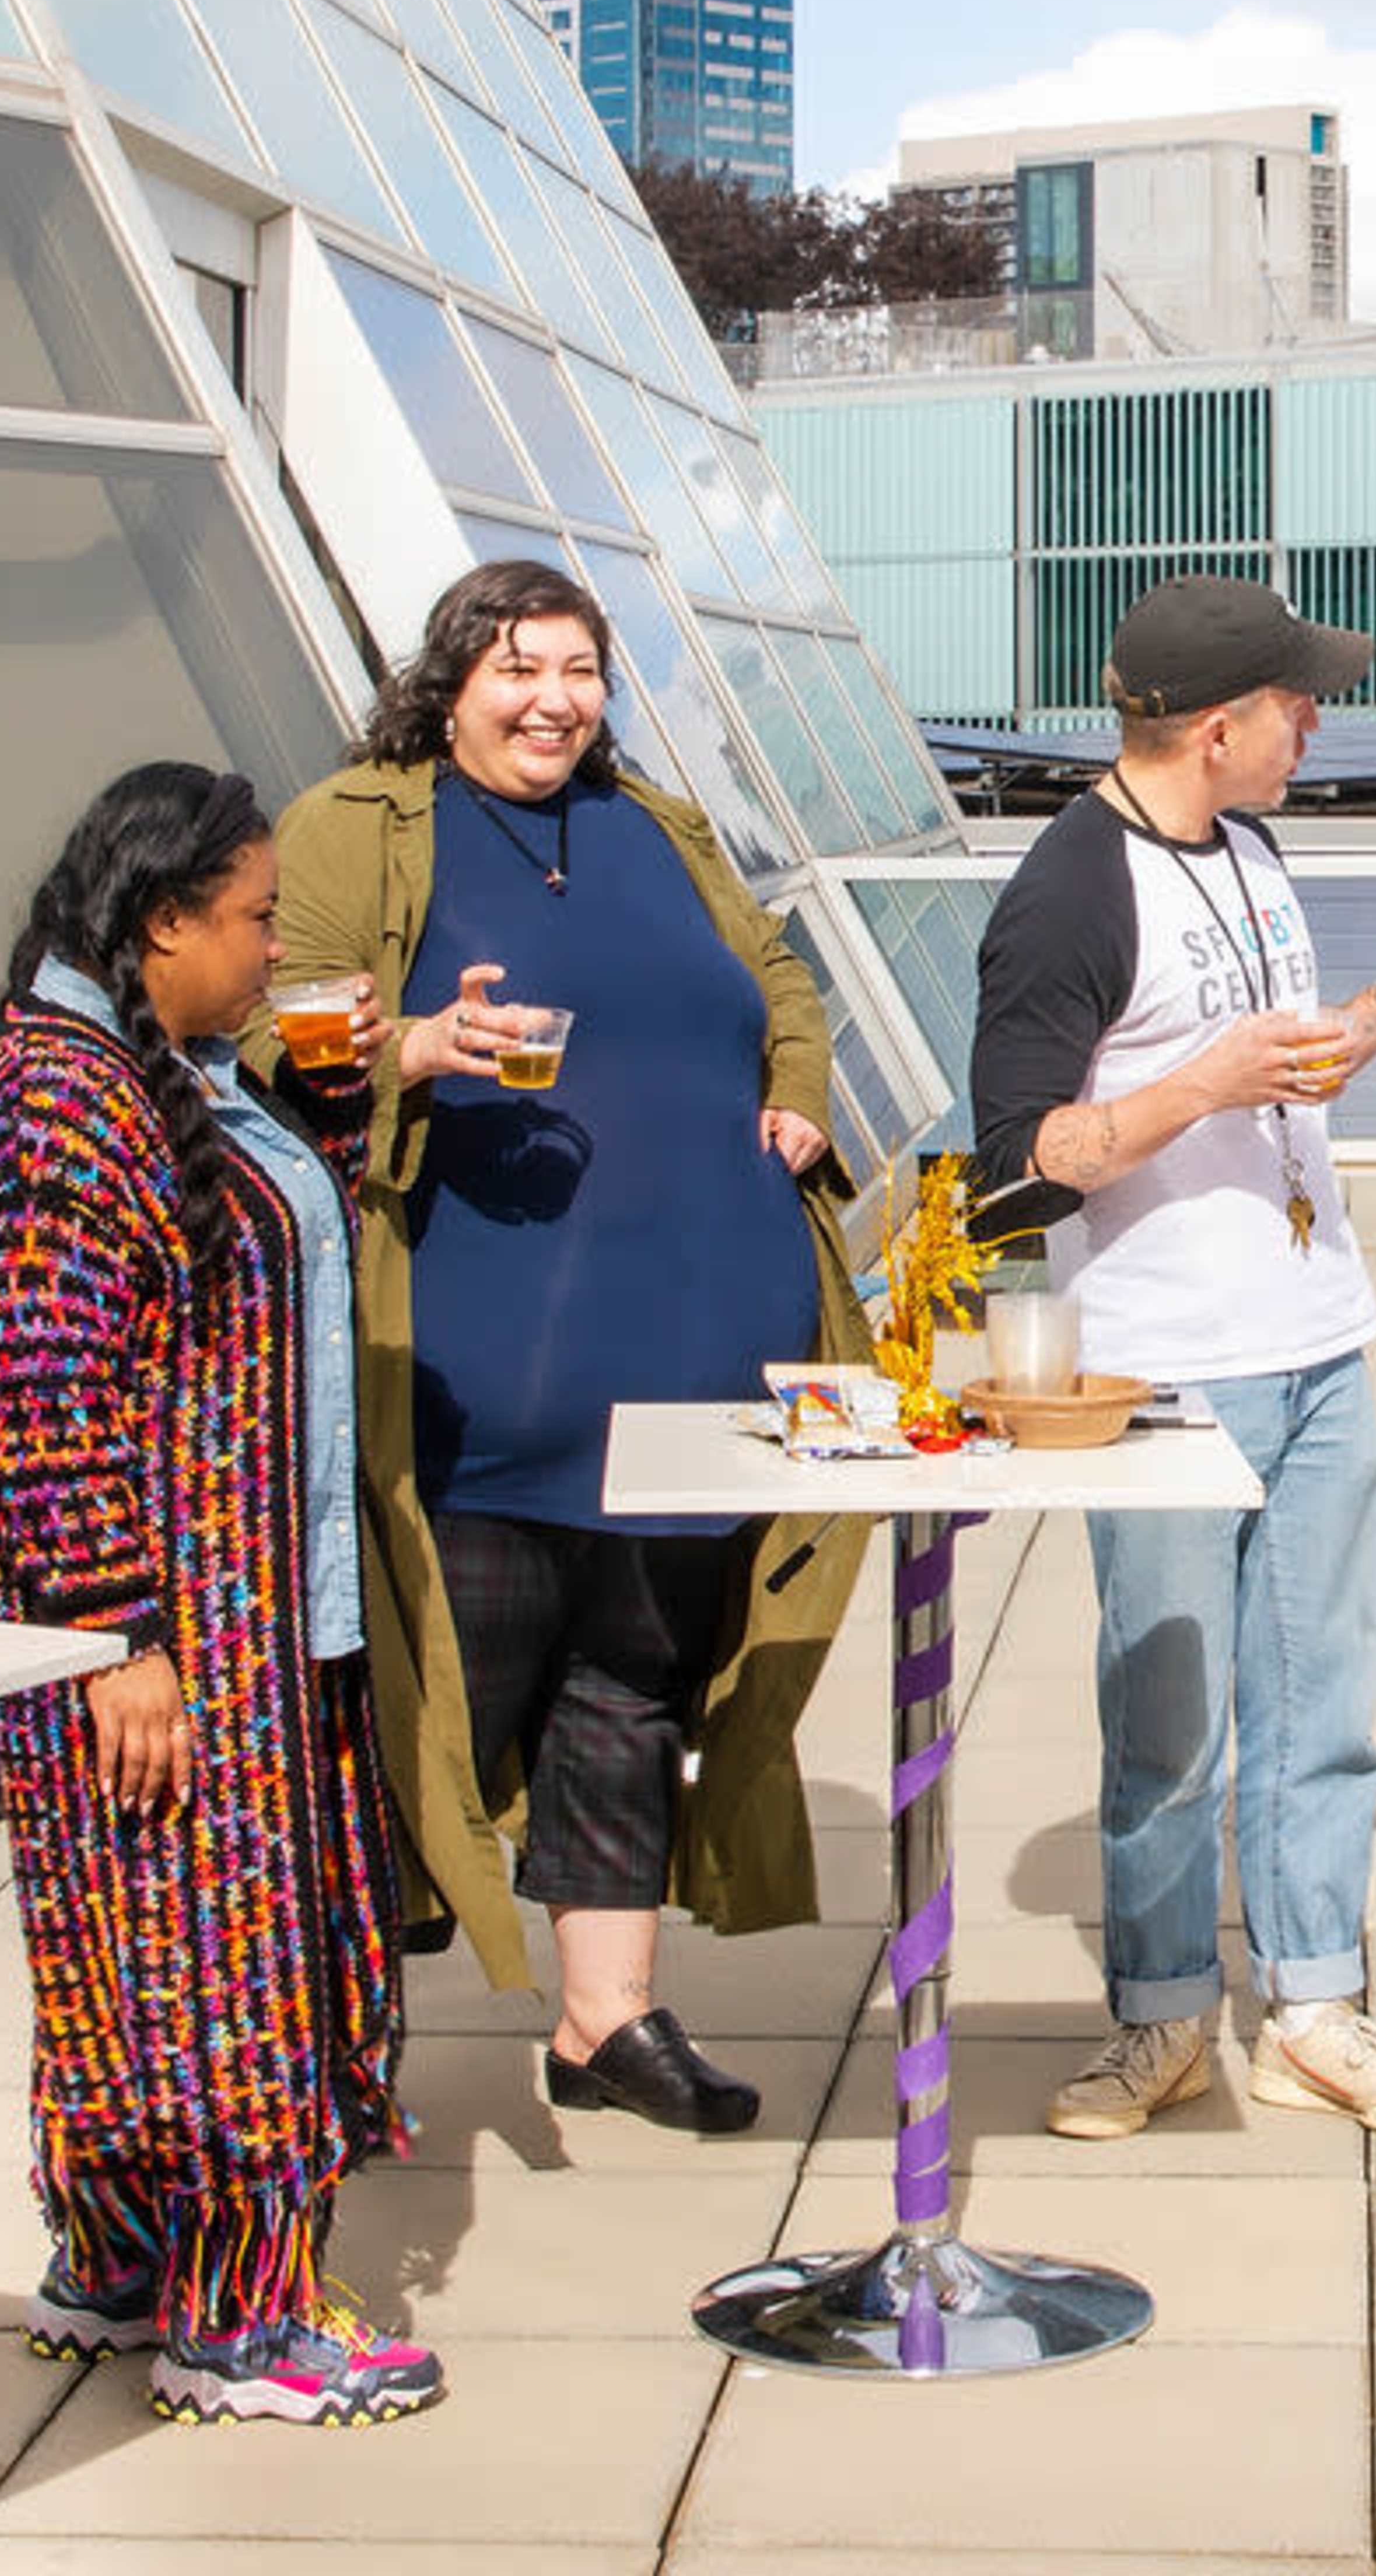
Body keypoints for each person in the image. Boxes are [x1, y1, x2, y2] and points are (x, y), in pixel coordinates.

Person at [268, 558, 870, 2135]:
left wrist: (796, 1093)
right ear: (450, 675)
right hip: (486, 1369)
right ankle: (323, 2043)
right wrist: (412, 1041)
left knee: (637, 1683)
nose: (554, 700)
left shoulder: (657, 826)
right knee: (428, 1711)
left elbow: (781, 976)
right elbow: (273, 1019)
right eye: (518, 667)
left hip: (701, 1357)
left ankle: (605, 2018)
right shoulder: (360, 820)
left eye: (582, 669)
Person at [972, 573, 1376, 2140]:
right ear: (1217, 726)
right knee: (1173, 1721)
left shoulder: (1256, 852)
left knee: (1326, 1702)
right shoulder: (1067, 889)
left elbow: (1294, 1075)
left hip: (1320, 1337)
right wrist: (1190, 1087)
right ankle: (1159, 2018)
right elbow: (1009, 1171)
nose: (1317, 721)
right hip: (1164, 1371)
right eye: (1296, 701)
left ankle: (1316, 2008)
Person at [0, 764, 441, 2428]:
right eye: (250, 919)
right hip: (173, 1633)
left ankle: (119, 2262)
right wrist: (123, 1642)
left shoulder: (151, 1066)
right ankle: (242, 2324)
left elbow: (225, 1269)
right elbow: (33, 1390)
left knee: (130, 1952)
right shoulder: (62, 1097)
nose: (270, 947)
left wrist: (316, 1112)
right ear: (161, 919)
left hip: (238, 1611)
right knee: (218, 1965)